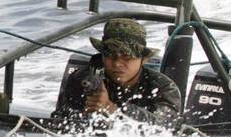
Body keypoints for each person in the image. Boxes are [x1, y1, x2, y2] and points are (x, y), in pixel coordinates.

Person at [52, 18, 182, 129]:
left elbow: (165, 126)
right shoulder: (83, 79)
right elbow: (59, 122)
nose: (117, 63)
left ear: (144, 60)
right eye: (110, 55)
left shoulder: (162, 87)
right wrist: (86, 113)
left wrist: (113, 109)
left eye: (127, 57)